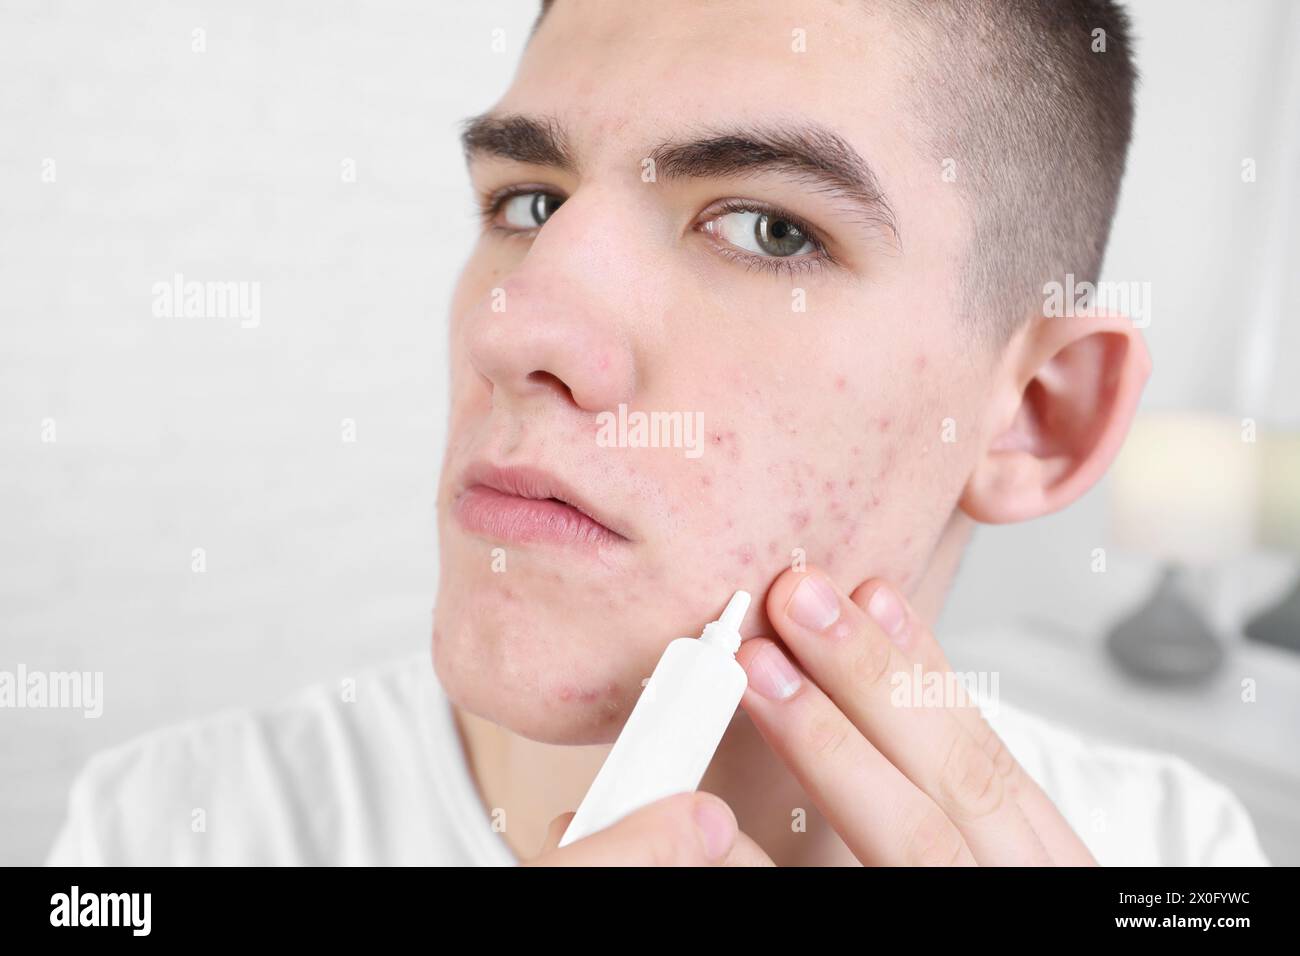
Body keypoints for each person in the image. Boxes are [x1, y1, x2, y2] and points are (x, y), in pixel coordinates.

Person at [46, 0, 1270, 866]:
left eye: (768, 229)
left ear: (1036, 422)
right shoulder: (173, 824)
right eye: (527, 202)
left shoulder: (1176, 854)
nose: (519, 332)